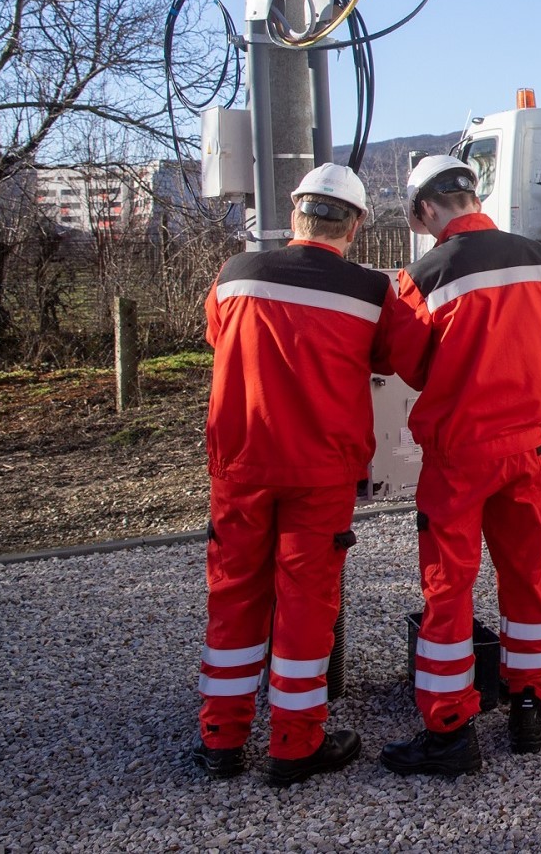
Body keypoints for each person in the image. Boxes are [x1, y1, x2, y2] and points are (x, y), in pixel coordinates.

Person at [192, 164, 408, 787]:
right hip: (321, 469)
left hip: (242, 461)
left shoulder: (235, 277)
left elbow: (216, 337)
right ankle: (294, 742)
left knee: (233, 594)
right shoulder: (370, 292)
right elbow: (390, 358)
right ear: (357, 225)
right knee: (307, 601)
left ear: (295, 213)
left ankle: (221, 739)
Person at [377, 155, 541, 776]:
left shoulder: (423, 275)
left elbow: (406, 363)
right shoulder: (538, 258)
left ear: (423, 211)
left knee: (448, 590)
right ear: (473, 195)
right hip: (530, 447)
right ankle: (528, 702)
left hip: (460, 455)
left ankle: (449, 730)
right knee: (526, 576)